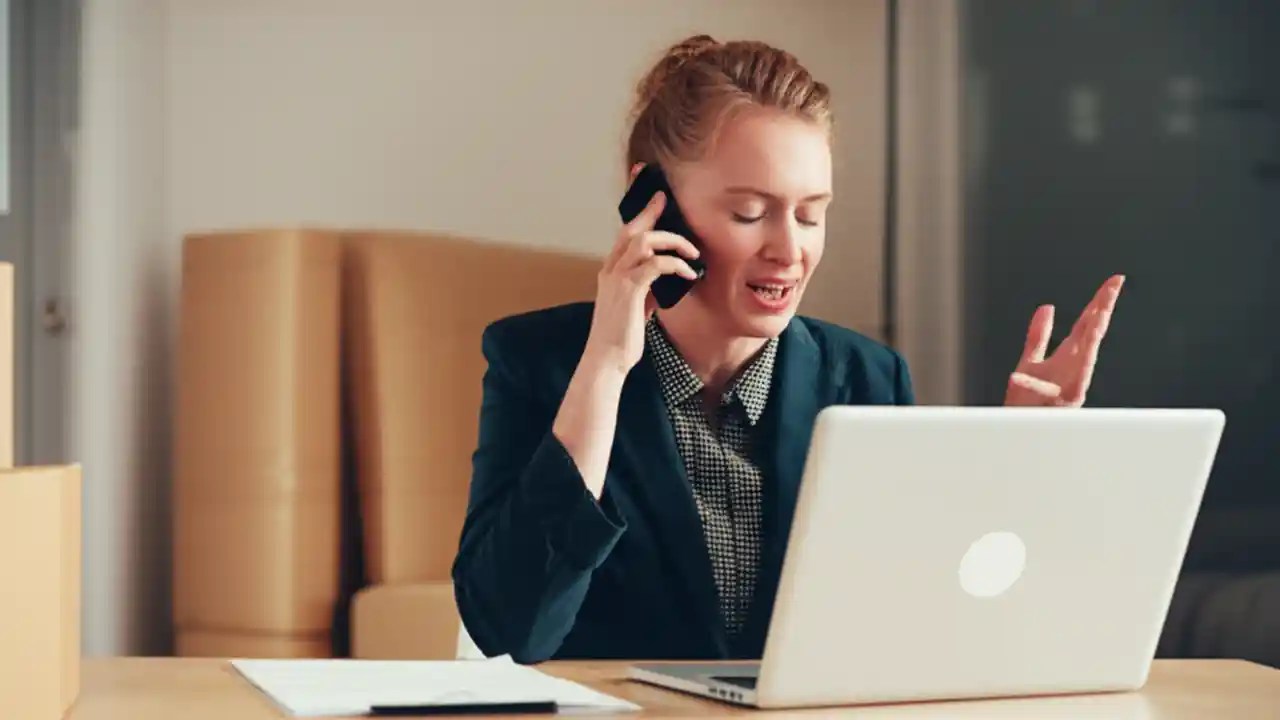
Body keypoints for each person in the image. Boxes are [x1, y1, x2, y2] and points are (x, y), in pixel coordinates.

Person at [451, 34, 1124, 664]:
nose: (790, 249)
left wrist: (1016, 468)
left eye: (810, 214)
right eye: (749, 213)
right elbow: (514, 631)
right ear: (651, 200)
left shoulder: (868, 378)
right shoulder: (537, 362)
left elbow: (915, 627)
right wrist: (605, 367)